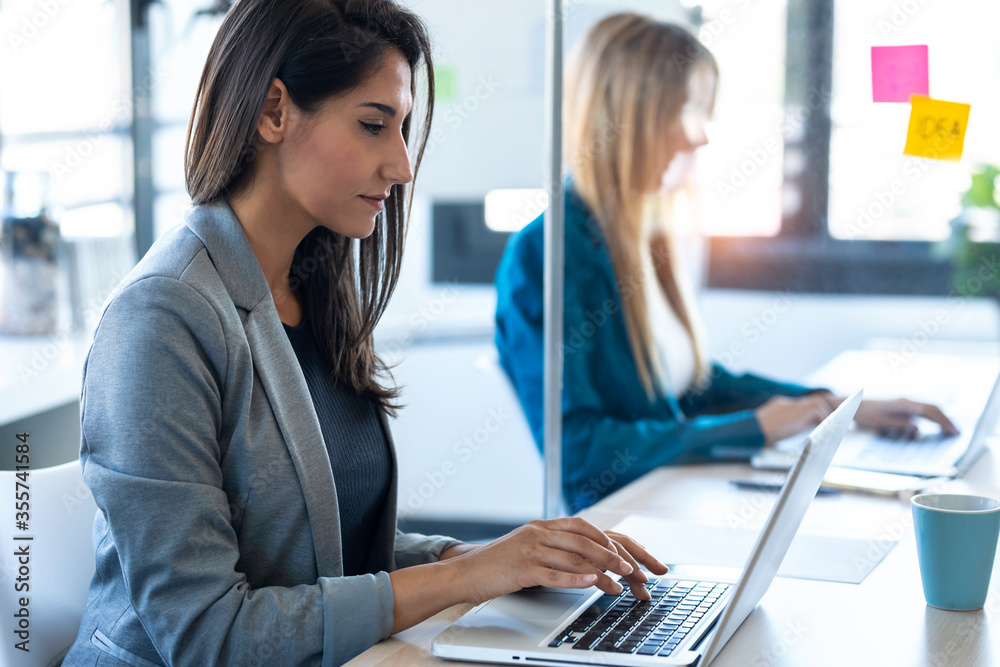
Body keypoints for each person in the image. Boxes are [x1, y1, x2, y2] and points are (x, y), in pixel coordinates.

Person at [62, 2, 668, 665]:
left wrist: (489, 556)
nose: (403, 165)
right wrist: (462, 577)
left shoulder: (310, 286)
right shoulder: (161, 320)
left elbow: (322, 551)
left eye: (402, 128)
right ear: (273, 111)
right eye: (374, 125)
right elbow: (210, 635)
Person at [494, 13, 957, 514]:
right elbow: (579, 452)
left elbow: (693, 386)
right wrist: (753, 427)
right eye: (689, 114)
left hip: (675, 495)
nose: (701, 139)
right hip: (625, 522)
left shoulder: (643, 234)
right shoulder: (547, 253)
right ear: (633, 118)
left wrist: (835, 408)